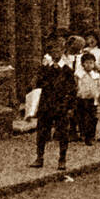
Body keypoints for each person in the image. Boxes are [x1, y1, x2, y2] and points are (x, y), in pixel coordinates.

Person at [31, 35, 76, 170]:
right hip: (46, 105)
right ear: (50, 53)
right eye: (53, 51)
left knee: (62, 133)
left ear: (62, 52)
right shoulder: (45, 69)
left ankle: (62, 159)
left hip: (62, 105)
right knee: (42, 132)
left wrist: (70, 107)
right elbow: (36, 84)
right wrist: (42, 70)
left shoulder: (67, 70)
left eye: (59, 51)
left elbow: (73, 90)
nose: (56, 53)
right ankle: (39, 157)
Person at [74, 41, 100, 145]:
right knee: (82, 117)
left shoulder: (96, 75)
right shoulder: (79, 74)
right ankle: (83, 133)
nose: (89, 65)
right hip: (82, 98)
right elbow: (76, 85)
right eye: (86, 63)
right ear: (82, 64)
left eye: (91, 63)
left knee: (93, 117)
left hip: (93, 99)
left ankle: (91, 135)